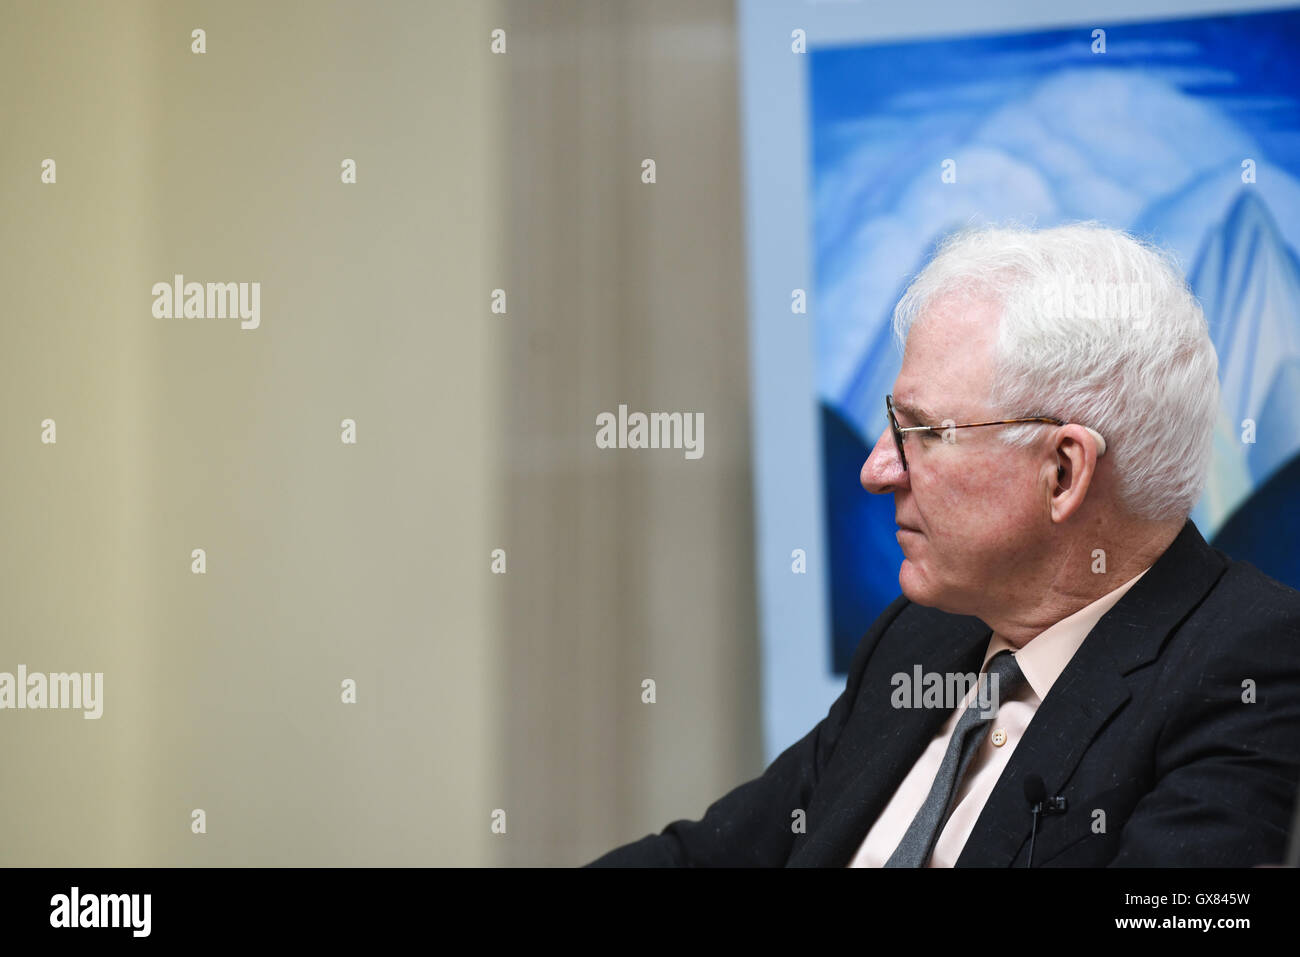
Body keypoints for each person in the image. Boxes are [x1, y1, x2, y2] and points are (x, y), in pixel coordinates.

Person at [587, 222, 1300, 867]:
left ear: (1063, 471)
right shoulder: (923, 635)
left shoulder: (1250, 666)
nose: (877, 469)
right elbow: (719, 853)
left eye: (923, 433)